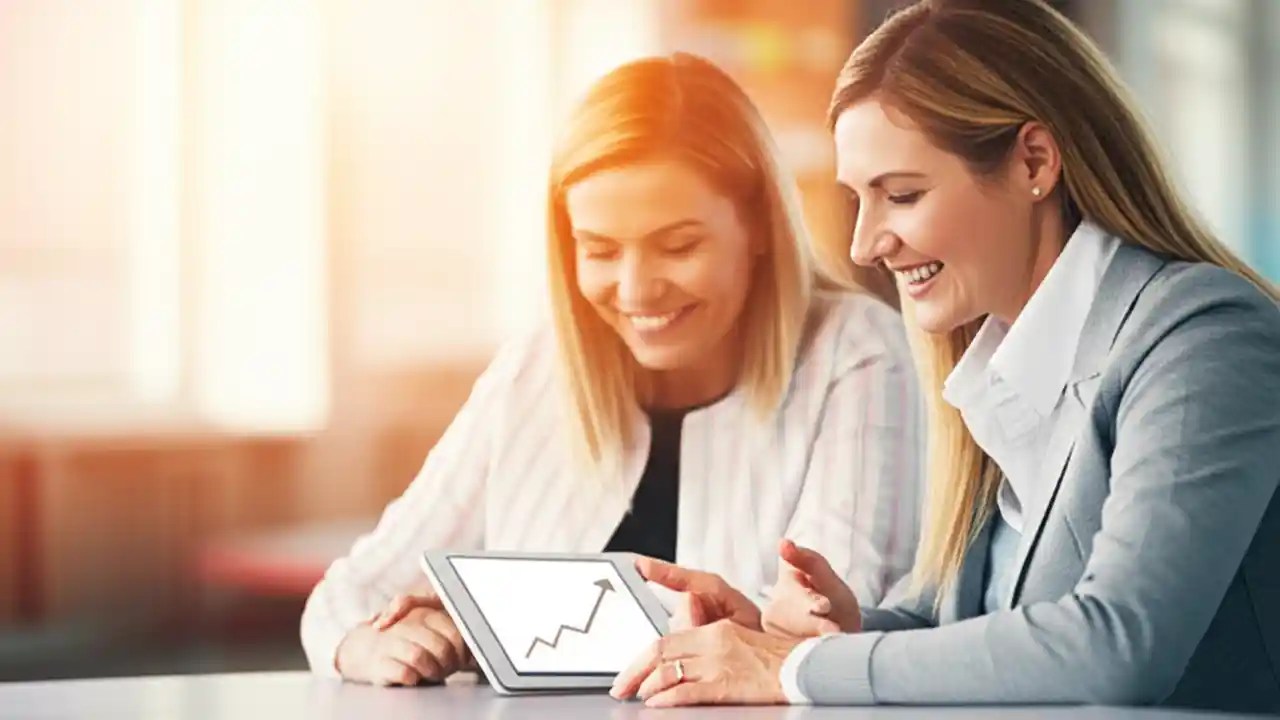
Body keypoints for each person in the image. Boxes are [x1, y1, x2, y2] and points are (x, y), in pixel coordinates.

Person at [610, 0, 1280, 712]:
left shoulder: (1203, 338)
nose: (865, 244)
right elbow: (959, 626)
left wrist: (796, 669)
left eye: (901, 195)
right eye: (858, 201)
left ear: (1034, 162)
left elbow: (1117, 645)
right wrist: (824, 636)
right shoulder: (996, 359)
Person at [300, 52, 924, 687]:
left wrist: (492, 623)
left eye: (679, 246)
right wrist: (368, 643)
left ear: (760, 225)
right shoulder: (537, 366)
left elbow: (827, 618)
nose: (636, 290)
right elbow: (350, 594)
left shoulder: (860, 352)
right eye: (599, 249)